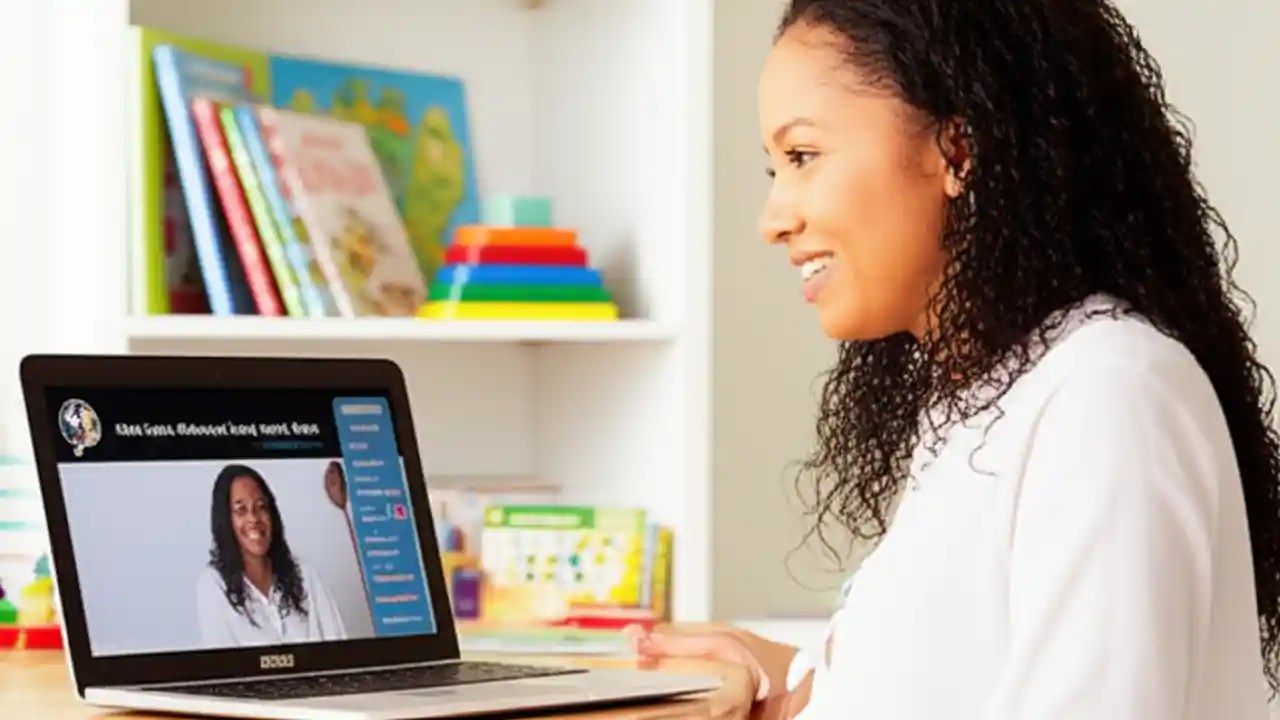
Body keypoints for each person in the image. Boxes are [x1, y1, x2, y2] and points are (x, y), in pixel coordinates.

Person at [627, 1, 1279, 718]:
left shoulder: (1107, 393)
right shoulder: (984, 403)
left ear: (957, 154)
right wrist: (785, 685)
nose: (774, 218)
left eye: (803, 157)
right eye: (776, 168)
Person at [196, 463, 349, 648]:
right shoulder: (213, 585)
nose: (253, 518)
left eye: (261, 507)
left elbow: (341, 650)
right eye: (241, 510)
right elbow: (223, 668)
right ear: (226, 520)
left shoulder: (306, 577)